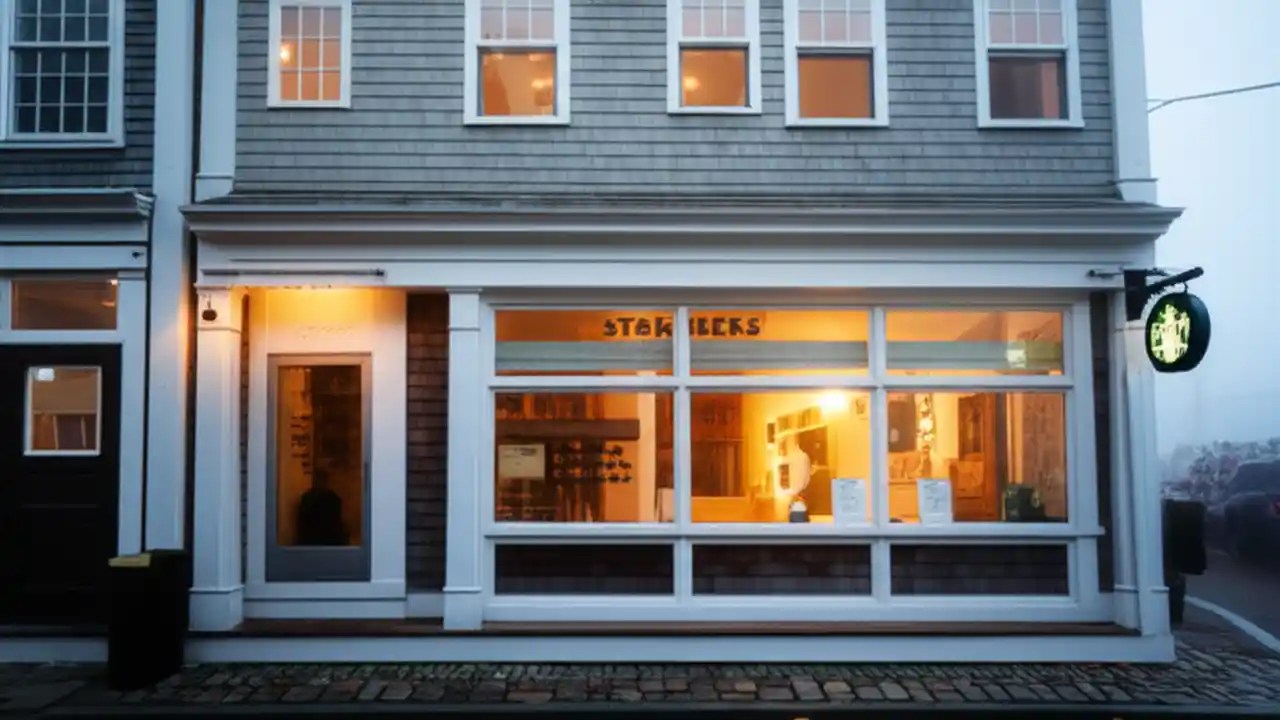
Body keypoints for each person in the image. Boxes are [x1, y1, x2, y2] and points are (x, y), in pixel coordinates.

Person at [296, 468, 348, 546]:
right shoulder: (332, 498)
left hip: (317, 539)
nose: (321, 482)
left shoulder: (332, 498)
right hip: (320, 538)